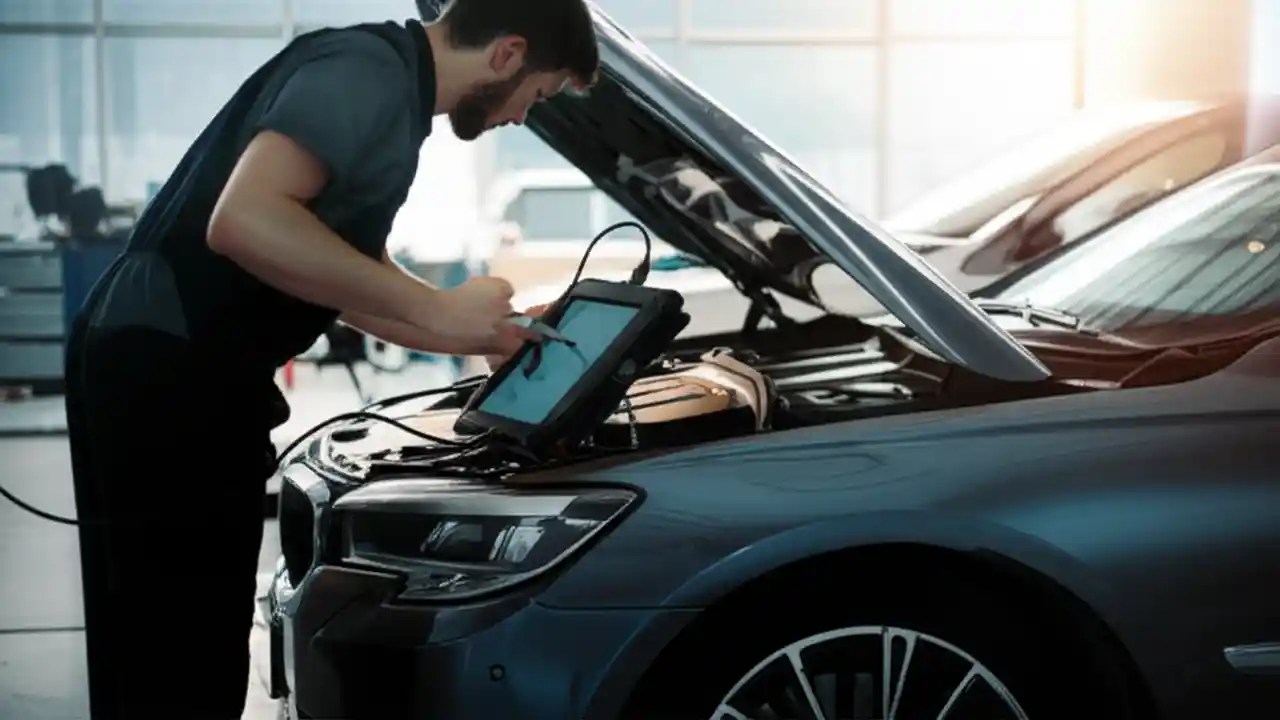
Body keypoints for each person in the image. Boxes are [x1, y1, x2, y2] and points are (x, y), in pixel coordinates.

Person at [63, 0, 598, 717]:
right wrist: (440, 309)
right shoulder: (364, 72)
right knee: (173, 644)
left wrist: (480, 334)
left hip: (182, 366)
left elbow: (336, 271)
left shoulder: (389, 88)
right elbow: (245, 221)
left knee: (182, 640)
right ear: (507, 55)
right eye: (540, 94)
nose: (522, 116)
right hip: (166, 363)